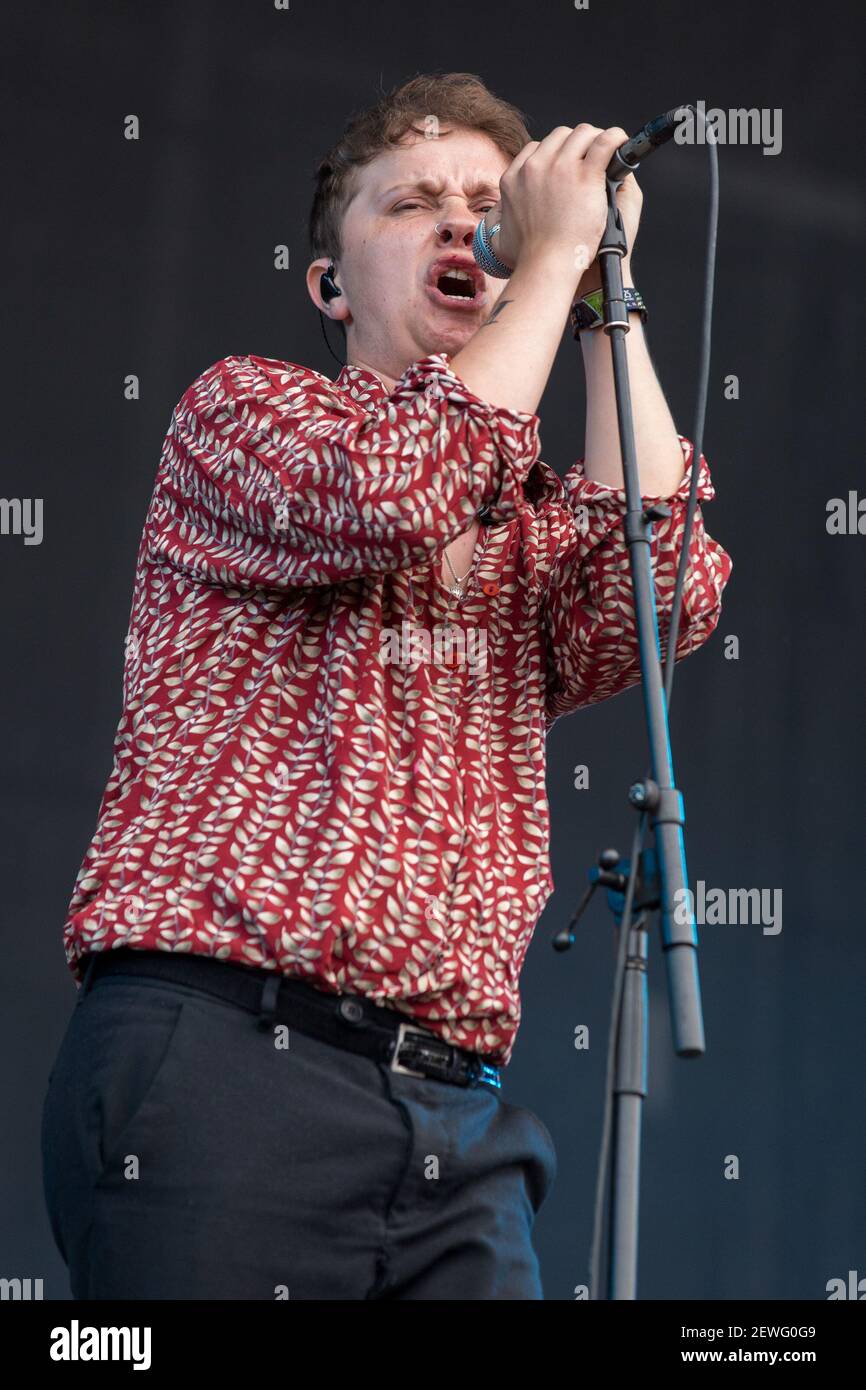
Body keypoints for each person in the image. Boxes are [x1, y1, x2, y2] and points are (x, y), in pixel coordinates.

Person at [41, 71, 732, 1300]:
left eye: (487, 200)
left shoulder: (527, 534)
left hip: (453, 1122)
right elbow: (392, 487)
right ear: (328, 281)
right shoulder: (243, 411)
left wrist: (585, 290)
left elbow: (667, 584)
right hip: (223, 1071)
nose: (463, 222)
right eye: (413, 202)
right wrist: (547, 248)